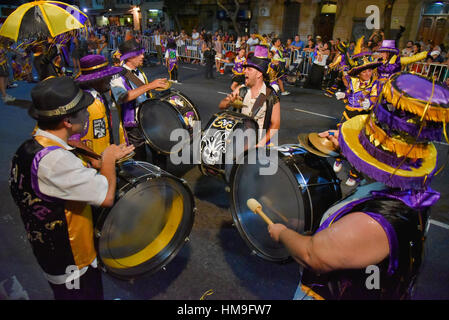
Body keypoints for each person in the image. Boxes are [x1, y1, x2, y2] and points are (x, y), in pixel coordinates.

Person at [268, 72, 448, 300]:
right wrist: (341, 144)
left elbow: (312, 255)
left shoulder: (378, 220)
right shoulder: (407, 190)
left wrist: (282, 233)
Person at [9, 77, 135, 300]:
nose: (86, 115)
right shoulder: (56, 161)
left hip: (49, 250)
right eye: (82, 111)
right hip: (72, 258)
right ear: (67, 121)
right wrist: (107, 158)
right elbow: (106, 196)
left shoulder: (29, 147)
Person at [110, 39, 168, 167]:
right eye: (138, 54)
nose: (143, 56)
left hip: (149, 118)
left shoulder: (139, 71)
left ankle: (161, 178)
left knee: (160, 152)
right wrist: (149, 86)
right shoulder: (117, 75)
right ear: (129, 58)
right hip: (134, 123)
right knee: (139, 157)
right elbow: (122, 98)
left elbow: (142, 92)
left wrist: (155, 87)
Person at [334, 50, 382, 186]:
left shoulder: (375, 84)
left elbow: (374, 98)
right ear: (359, 73)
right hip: (349, 113)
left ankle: (354, 174)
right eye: (364, 72)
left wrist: (371, 103)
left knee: (359, 145)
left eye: (369, 71)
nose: (368, 74)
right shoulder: (353, 81)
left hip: (363, 117)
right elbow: (350, 93)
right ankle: (339, 158)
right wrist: (344, 95)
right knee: (341, 136)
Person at [218, 45, 281, 147]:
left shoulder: (271, 96)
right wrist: (229, 101)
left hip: (257, 144)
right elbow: (221, 105)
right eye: (245, 69)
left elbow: (275, 124)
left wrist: (260, 143)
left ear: (259, 74)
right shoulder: (241, 90)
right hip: (238, 141)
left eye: (249, 70)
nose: (245, 71)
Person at [72, 54, 127, 159]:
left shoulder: (102, 95)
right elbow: (73, 139)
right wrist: (95, 159)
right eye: (106, 76)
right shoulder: (82, 103)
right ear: (96, 79)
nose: (110, 78)